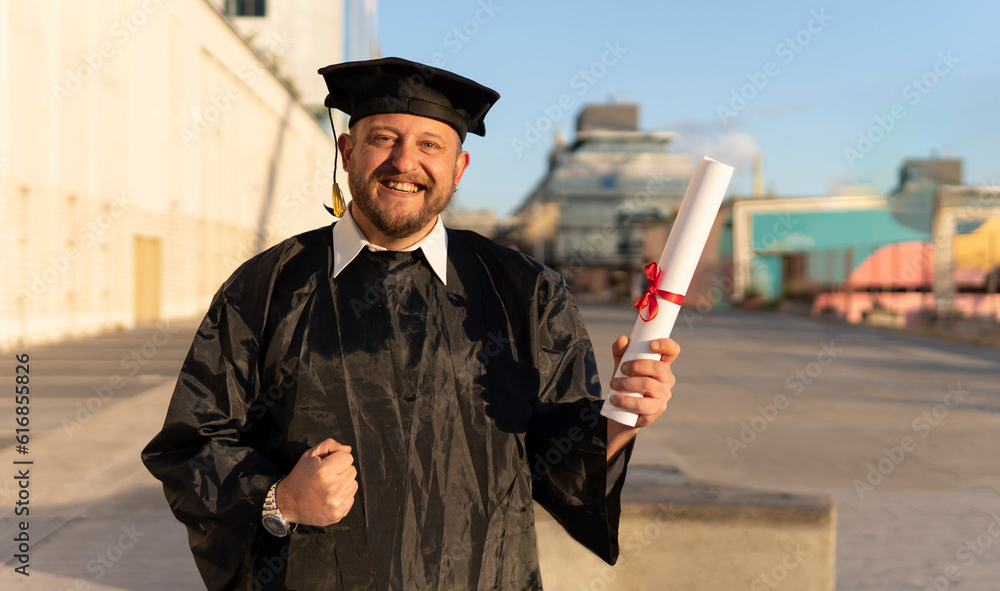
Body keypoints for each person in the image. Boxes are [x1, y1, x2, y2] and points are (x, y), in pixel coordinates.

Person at [142, 57, 679, 590]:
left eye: (430, 145)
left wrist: (625, 414)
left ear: (458, 168)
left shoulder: (525, 292)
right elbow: (190, 445)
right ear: (347, 151)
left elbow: (561, 455)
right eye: (383, 138)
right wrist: (278, 498)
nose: (404, 162)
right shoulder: (265, 289)